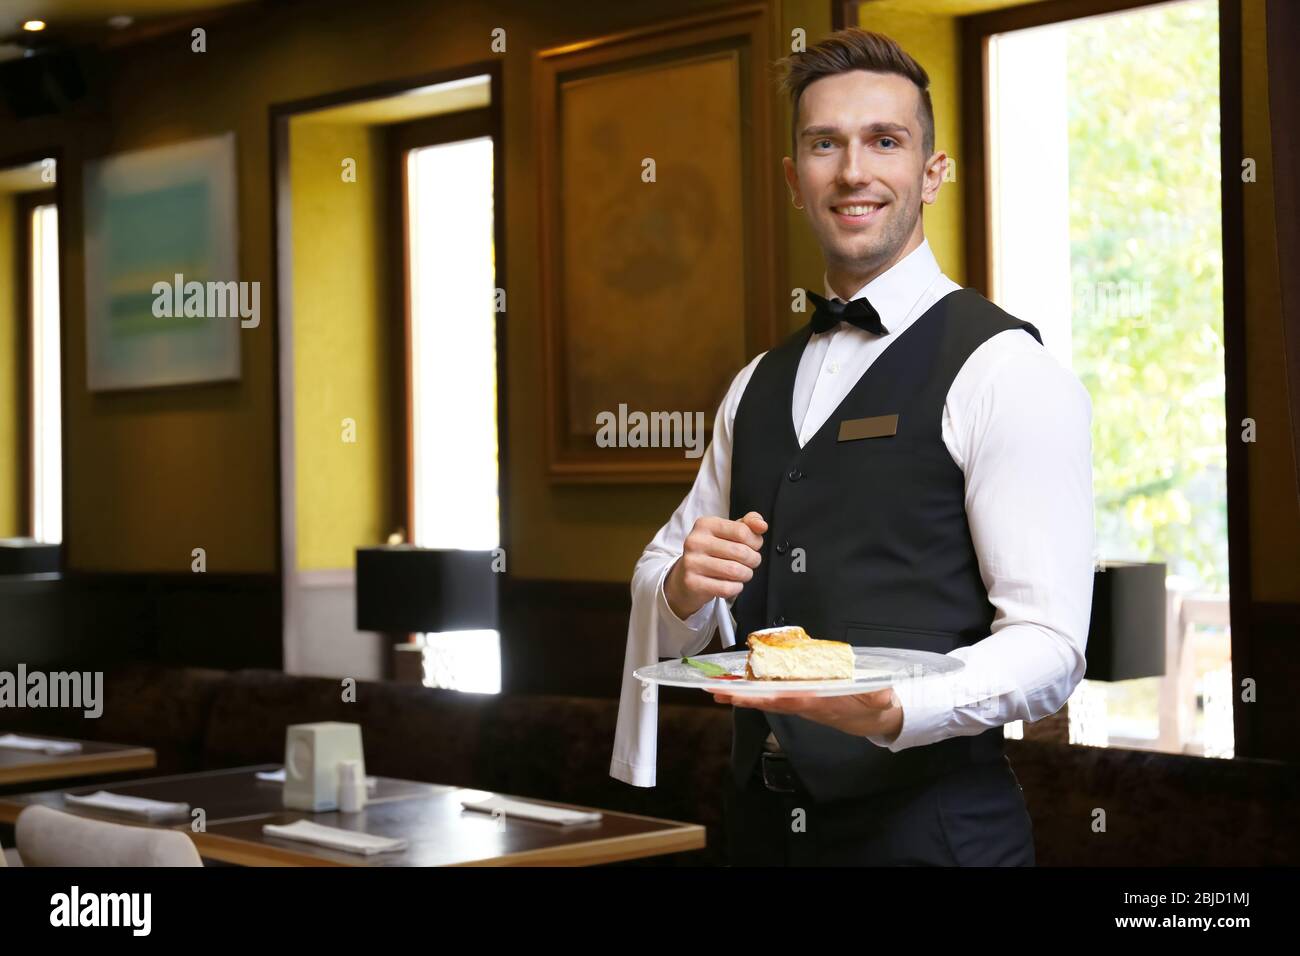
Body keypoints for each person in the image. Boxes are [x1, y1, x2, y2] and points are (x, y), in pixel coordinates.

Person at [611, 27, 1095, 866]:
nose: (853, 170)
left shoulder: (1004, 369)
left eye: (885, 141)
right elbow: (664, 583)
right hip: (761, 829)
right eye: (824, 144)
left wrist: (902, 706)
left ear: (932, 174)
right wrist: (687, 589)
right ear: (795, 180)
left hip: (931, 836)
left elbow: (1052, 646)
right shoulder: (754, 384)